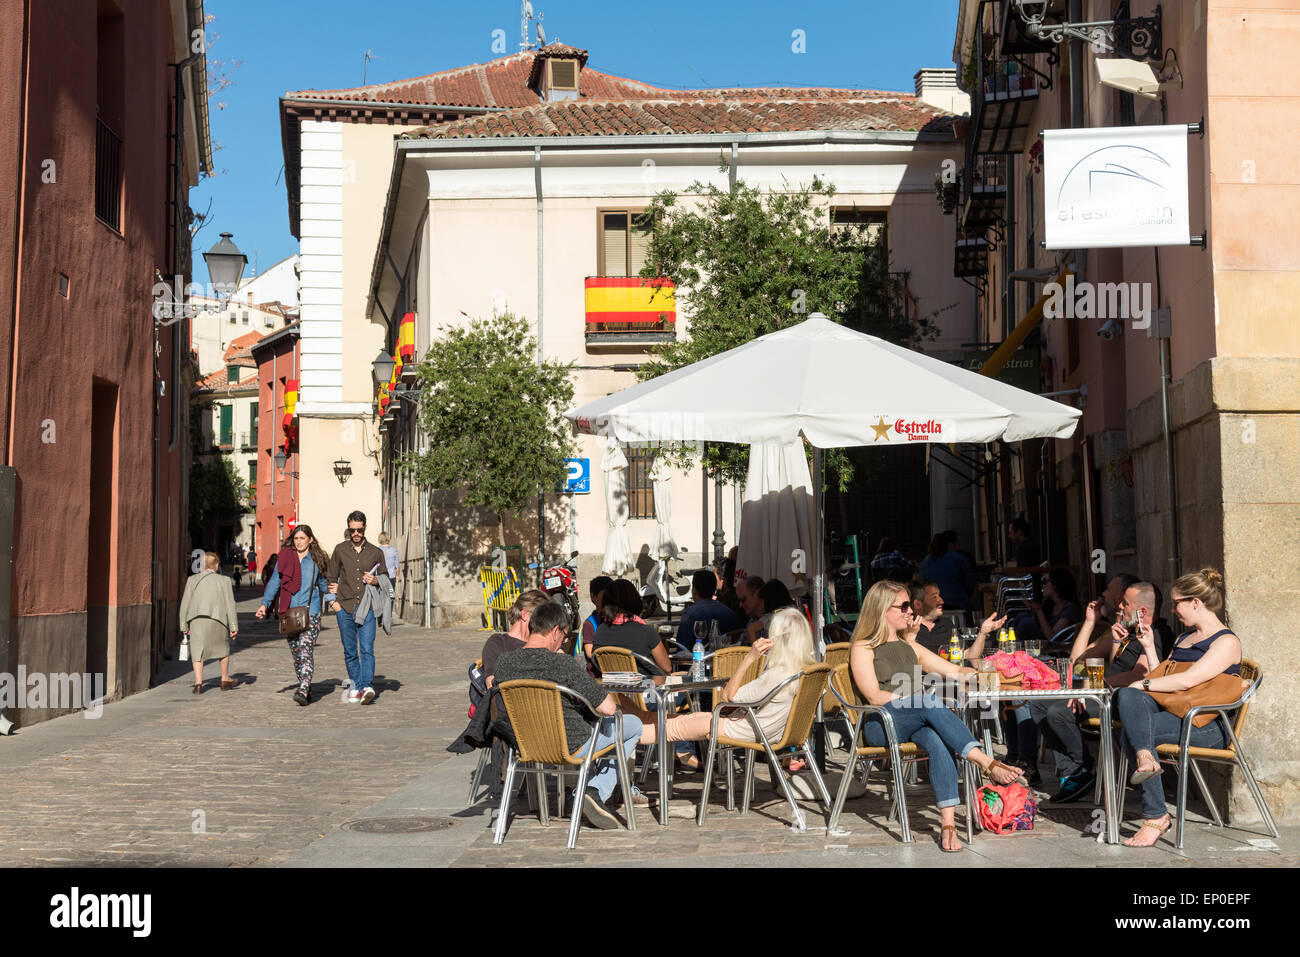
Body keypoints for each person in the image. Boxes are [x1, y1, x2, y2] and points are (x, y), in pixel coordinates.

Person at [849, 579, 1026, 852]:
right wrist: (914, 702)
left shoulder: (911, 647)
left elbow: (956, 672)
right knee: (928, 701)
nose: (911, 612)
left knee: (935, 738)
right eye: (905, 606)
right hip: (879, 723)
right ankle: (986, 762)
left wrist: (999, 675)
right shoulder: (863, 647)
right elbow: (873, 696)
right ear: (883, 609)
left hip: (916, 718)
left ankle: (948, 825)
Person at [1115, 568, 1242, 847]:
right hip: (1177, 715)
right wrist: (1149, 648)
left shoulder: (1226, 642)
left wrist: (1142, 685)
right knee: (1128, 697)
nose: (1172, 610)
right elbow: (1163, 678)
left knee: (1130, 732)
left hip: (1208, 725)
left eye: (1177, 603)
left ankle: (1156, 814)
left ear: (1196, 602)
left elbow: (1187, 681)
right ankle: (1149, 769)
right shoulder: (1184, 639)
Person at [494, 601, 646, 829]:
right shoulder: (563, 663)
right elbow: (608, 708)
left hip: (525, 746)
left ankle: (593, 788)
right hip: (571, 745)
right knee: (632, 723)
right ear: (555, 631)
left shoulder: (504, 663)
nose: (564, 642)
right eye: (565, 636)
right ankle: (594, 790)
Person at [1029, 580, 1168, 801]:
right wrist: (1091, 623)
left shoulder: (1156, 634)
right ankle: (1073, 770)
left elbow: (1138, 676)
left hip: (1125, 702)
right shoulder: (1127, 631)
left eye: (1124, 603)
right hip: (1101, 694)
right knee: (1037, 704)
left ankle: (1082, 769)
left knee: (1059, 712)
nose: (1119, 607)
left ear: (1142, 611)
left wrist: (1093, 688)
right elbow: (1078, 660)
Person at [639, 607, 816, 762]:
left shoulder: (777, 674)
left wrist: (750, 658)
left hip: (750, 730)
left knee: (675, 727)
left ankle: (629, 731)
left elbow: (728, 696)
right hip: (773, 730)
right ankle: (638, 717)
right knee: (690, 719)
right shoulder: (809, 670)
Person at [255, 525, 332, 705]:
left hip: (310, 612)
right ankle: (306, 684)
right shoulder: (285, 558)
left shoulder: (317, 559)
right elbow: (275, 581)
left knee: (305, 651)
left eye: (302, 538)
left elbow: (323, 584)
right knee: (297, 654)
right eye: (296, 538)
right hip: (289, 613)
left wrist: (333, 599)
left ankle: (303, 689)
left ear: (310, 540)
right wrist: (264, 604)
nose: (299, 542)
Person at [327, 510, 388, 705]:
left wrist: (375, 580)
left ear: (365, 528)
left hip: (367, 607)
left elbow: (386, 578)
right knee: (350, 650)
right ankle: (356, 685)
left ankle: (367, 686)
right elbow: (330, 577)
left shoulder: (376, 552)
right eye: (352, 530)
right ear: (348, 528)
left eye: (359, 530)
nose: (356, 533)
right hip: (344, 606)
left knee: (367, 648)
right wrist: (333, 603)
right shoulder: (339, 550)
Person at [179, 551, 239, 694]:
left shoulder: (192, 580)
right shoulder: (224, 581)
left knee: (197, 651)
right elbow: (230, 605)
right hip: (218, 619)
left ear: (201, 565)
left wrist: (183, 625)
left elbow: (185, 604)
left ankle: (198, 684)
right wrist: (233, 626)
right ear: (216, 565)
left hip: (196, 620)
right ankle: (224, 678)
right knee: (222, 649)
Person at [911, 578, 1005, 660]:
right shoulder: (907, 629)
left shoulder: (946, 624)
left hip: (950, 679)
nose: (942, 601)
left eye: (939, 595)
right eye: (934, 597)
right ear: (918, 604)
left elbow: (968, 656)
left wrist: (983, 633)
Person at [480, 589, 549, 688]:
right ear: (525, 615)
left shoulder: (543, 641)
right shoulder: (498, 642)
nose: (546, 624)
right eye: (542, 618)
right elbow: (491, 683)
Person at [675, 569, 741, 650]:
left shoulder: (690, 613)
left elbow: (681, 647)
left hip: (698, 659)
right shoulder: (729, 612)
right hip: (727, 659)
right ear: (714, 590)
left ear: (694, 590)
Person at [1017, 567, 1084, 645]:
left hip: (1058, 647)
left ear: (1055, 584)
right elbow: (1040, 625)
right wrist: (1032, 608)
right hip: (1043, 642)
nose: (1043, 585)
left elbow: (1052, 638)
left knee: (1025, 624)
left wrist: (1039, 611)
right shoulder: (1050, 604)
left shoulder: (1070, 608)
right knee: (1022, 617)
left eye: (1046, 582)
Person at [920, 531, 976, 611]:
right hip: (958, 602)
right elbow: (970, 583)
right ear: (950, 544)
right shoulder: (959, 558)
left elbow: (923, 582)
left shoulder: (927, 560)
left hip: (933, 604)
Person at [743, 578, 794, 645]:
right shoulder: (794, 612)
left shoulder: (771, 616)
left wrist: (756, 652)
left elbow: (750, 629)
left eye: (762, 600)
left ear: (769, 600)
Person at [579, 576, 615, 657]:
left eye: (612, 594)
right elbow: (589, 654)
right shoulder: (590, 623)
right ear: (593, 596)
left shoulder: (617, 618)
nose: (609, 598)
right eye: (605, 594)